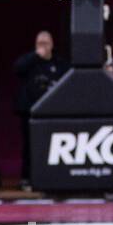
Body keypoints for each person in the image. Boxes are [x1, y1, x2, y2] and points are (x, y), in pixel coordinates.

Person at [14, 31, 68, 190]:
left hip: (53, 113)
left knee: (54, 146)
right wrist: (35, 55)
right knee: (29, 146)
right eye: (39, 44)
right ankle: (27, 178)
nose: (42, 47)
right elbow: (17, 68)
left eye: (45, 43)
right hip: (30, 112)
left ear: (52, 45)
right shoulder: (30, 62)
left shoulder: (60, 63)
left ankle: (55, 177)